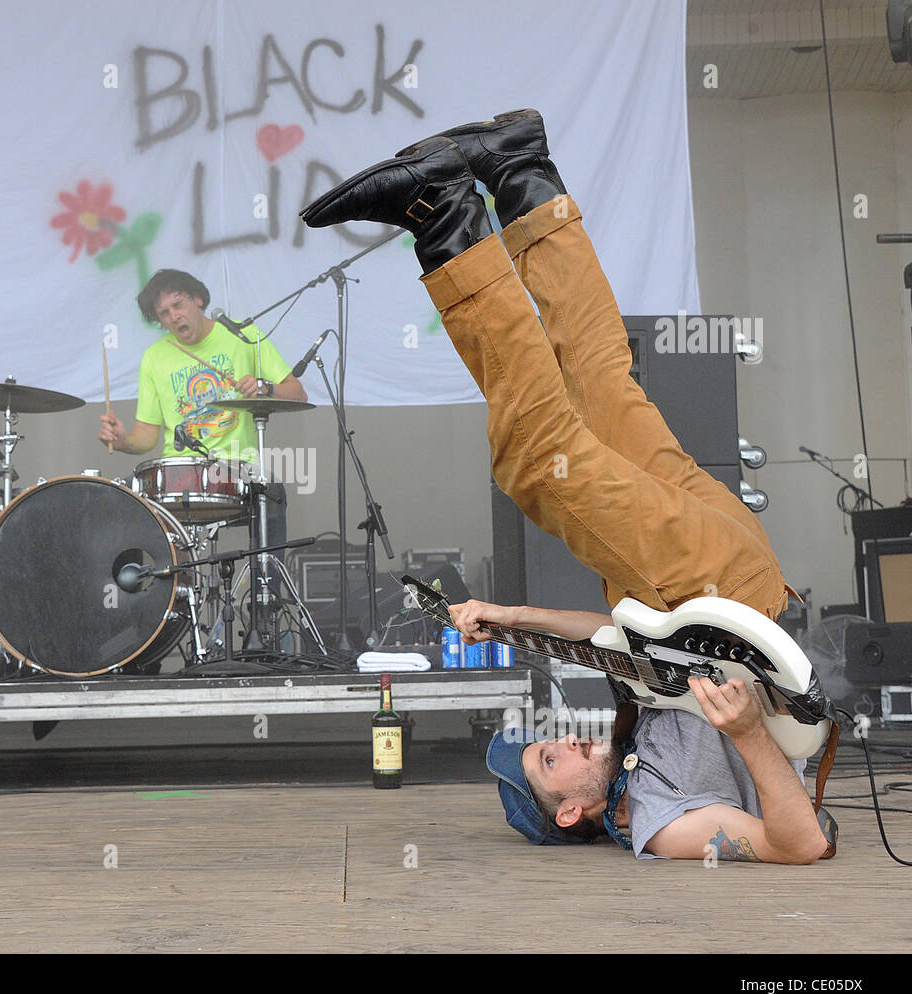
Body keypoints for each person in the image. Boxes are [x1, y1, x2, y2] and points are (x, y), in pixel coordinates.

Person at [301, 109, 833, 864]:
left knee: (595, 390)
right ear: (575, 811)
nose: (556, 740)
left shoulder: (640, 719)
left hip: (717, 574)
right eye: (548, 762)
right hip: (718, 586)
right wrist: (745, 732)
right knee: (534, 455)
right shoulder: (659, 815)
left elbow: (619, 637)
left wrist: (508, 614)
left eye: (540, 744)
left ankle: (521, 175)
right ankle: (446, 211)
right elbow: (803, 844)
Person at [98, 268, 307, 542]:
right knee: (115, 498)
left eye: (178, 304)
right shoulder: (154, 357)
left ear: (197, 299)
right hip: (179, 470)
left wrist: (264, 388)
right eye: (164, 313)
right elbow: (146, 437)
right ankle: (156, 582)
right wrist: (122, 440)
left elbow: (298, 393)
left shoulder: (244, 336)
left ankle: (266, 582)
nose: (174, 316)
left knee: (272, 492)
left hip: (237, 465)